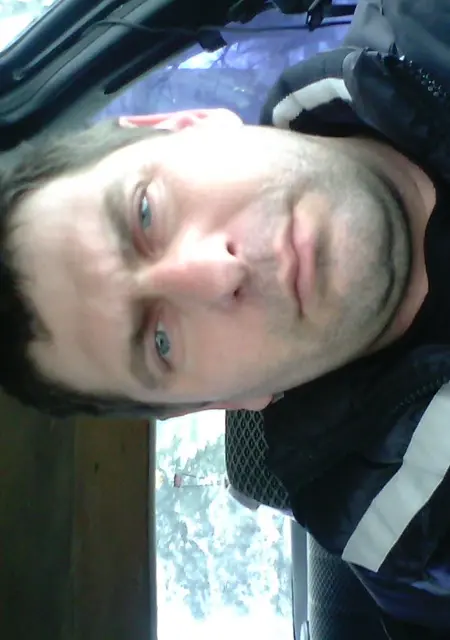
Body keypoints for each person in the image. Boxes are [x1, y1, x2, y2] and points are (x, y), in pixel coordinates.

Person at [0, 0, 450, 635]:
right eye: (160, 341)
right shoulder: (418, 556)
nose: (217, 273)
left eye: (147, 213)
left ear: (190, 125)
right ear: (225, 400)